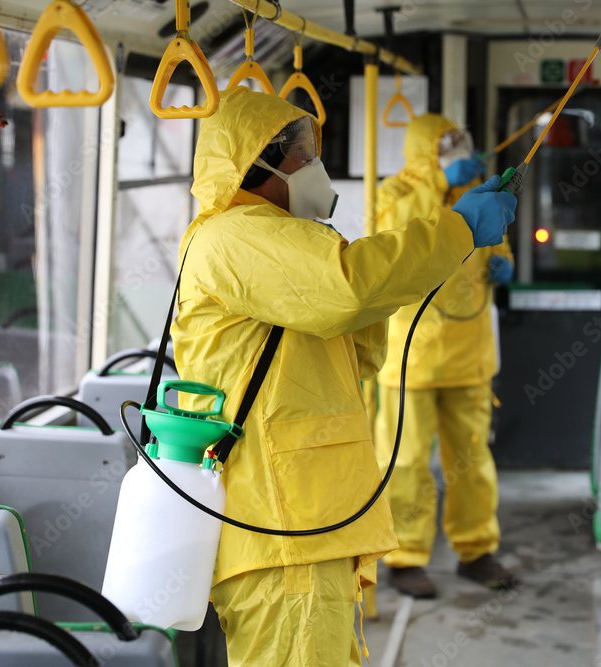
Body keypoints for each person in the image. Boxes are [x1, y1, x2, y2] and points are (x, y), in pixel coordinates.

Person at [171, 88, 516, 666]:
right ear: (256, 162)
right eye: (300, 152)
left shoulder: (275, 239)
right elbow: (350, 289)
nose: (313, 164)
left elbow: (354, 344)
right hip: (283, 521)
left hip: (304, 516)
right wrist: (456, 230)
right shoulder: (236, 236)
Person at [374, 114, 516, 599]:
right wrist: (440, 185)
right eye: (446, 148)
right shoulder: (393, 194)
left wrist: (504, 262)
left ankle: (476, 550)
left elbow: (500, 239)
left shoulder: (477, 192)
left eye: (460, 145)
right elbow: (393, 244)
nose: (458, 156)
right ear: (424, 152)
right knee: (407, 462)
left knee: (473, 460)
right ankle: (404, 557)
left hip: (469, 351)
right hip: (410, 354)